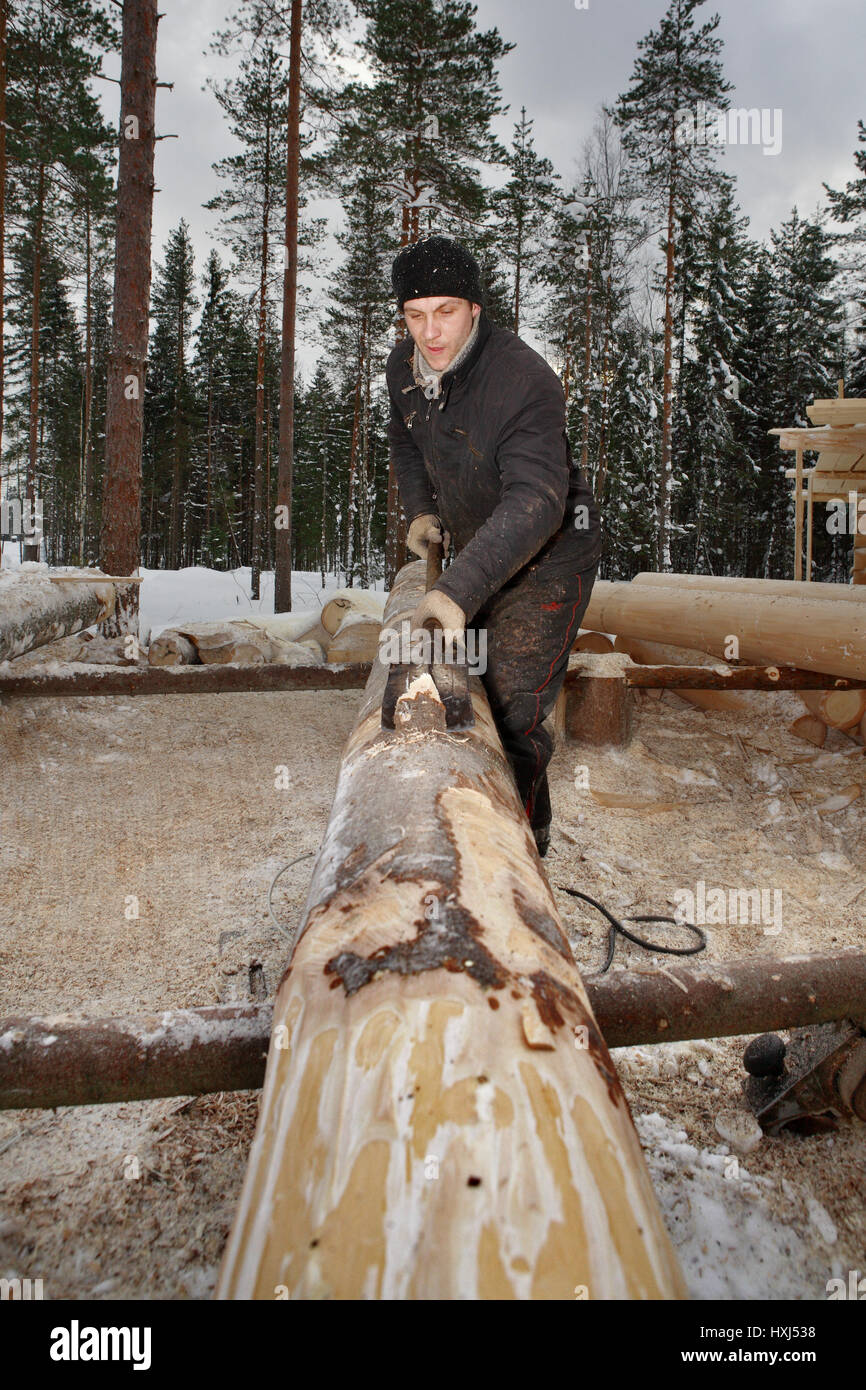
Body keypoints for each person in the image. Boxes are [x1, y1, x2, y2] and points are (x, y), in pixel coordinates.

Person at [386, 234, 602, 858]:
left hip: (552, 554)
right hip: (484, 544)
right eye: (415, 315)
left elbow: (537, 500)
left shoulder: (523, 379)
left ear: (475, 310)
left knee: (511, 704)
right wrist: (423, 509)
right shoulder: (405, 369)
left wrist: (455, 589)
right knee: (464, 678)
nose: (430, 331)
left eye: (445, 311)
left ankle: (523, 847)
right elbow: (405, 438)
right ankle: (462, 818)